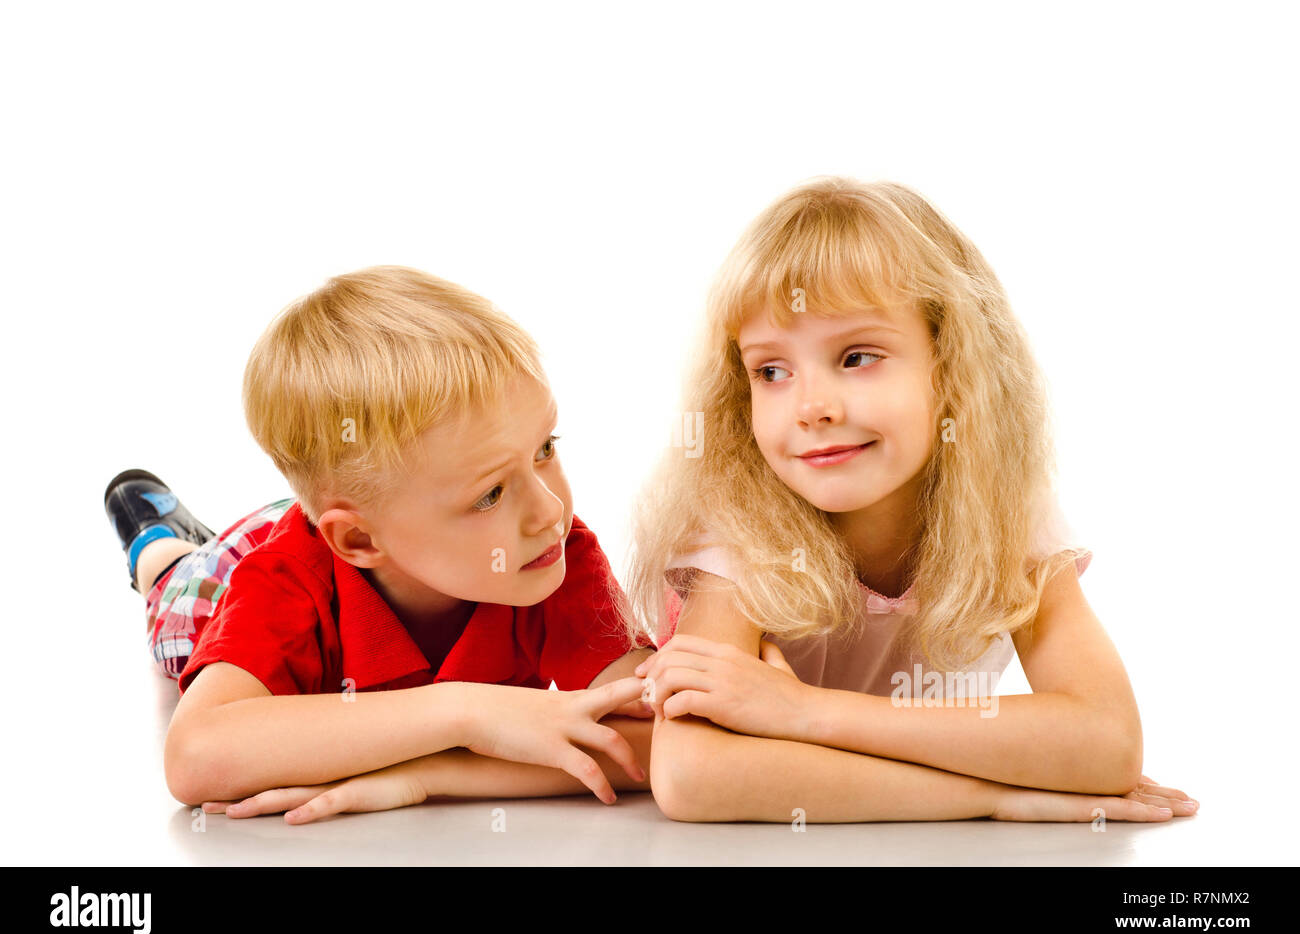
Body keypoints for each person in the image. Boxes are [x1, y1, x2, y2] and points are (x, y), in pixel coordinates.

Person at [625, 177, 1199, 824]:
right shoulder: (739, 524)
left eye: (857, 357)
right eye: (772, 371)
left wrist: (804, 714)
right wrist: (998, 794)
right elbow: (693, 777)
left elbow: (1106, 741)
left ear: (952, 366)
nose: (812, 408)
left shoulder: (1003, 514)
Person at [104, 266, 667, 816]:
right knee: (175, 591)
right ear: (358, 539)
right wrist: (466, 711)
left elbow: (661, 742)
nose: (550, 510)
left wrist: (432, 775)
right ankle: (157, 536)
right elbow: (195, 756)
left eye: (545, 448)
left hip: (342, 523)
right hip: (228, 568)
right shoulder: (284, 581)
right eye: (491, 494)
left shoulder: (551, 551)